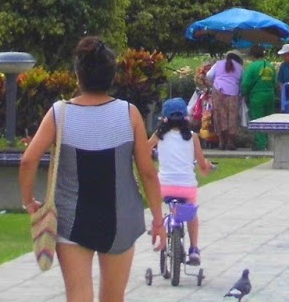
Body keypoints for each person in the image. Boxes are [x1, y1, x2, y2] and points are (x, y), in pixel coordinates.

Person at [19, 37, 165, 302]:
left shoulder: (59, 113)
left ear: (78, 75)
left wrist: (29, 201)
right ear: (112, 76)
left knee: (78, 296)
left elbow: (28, 160)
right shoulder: (128, 114)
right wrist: (158, 219)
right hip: (120, 218)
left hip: (71, 219)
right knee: (113, 297)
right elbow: (147, 173)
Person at [149, 97, 213, 267]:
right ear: (186, 117)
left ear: (164, 118)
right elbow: (201, 165)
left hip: (164, 187)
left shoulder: (159, 136)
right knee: (191, 214)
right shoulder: (193, 137)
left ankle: (162, 225)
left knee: (168, 208)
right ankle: (193, 249)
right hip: (187, 188)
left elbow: (144, 149)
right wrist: (207, 168)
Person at [240, 45, 278, 151]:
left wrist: (243, 94)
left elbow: (246, 84)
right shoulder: (270, 66)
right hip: (270, 95)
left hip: (257, 96)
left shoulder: (252, 67)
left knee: (258, 120)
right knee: (269, 119)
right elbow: (275, 83)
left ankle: (261, 144)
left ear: (252, 55)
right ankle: (270, 143)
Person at [208, 51, 244, 150]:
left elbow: (209, 75)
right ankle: (230, 142)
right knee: (232, 116)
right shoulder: (240, 67)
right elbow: (242, 81)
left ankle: (221, 142)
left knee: (219, 115)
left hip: (218, 91)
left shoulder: (218, 64)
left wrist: (214, 83)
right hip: (233, 92)